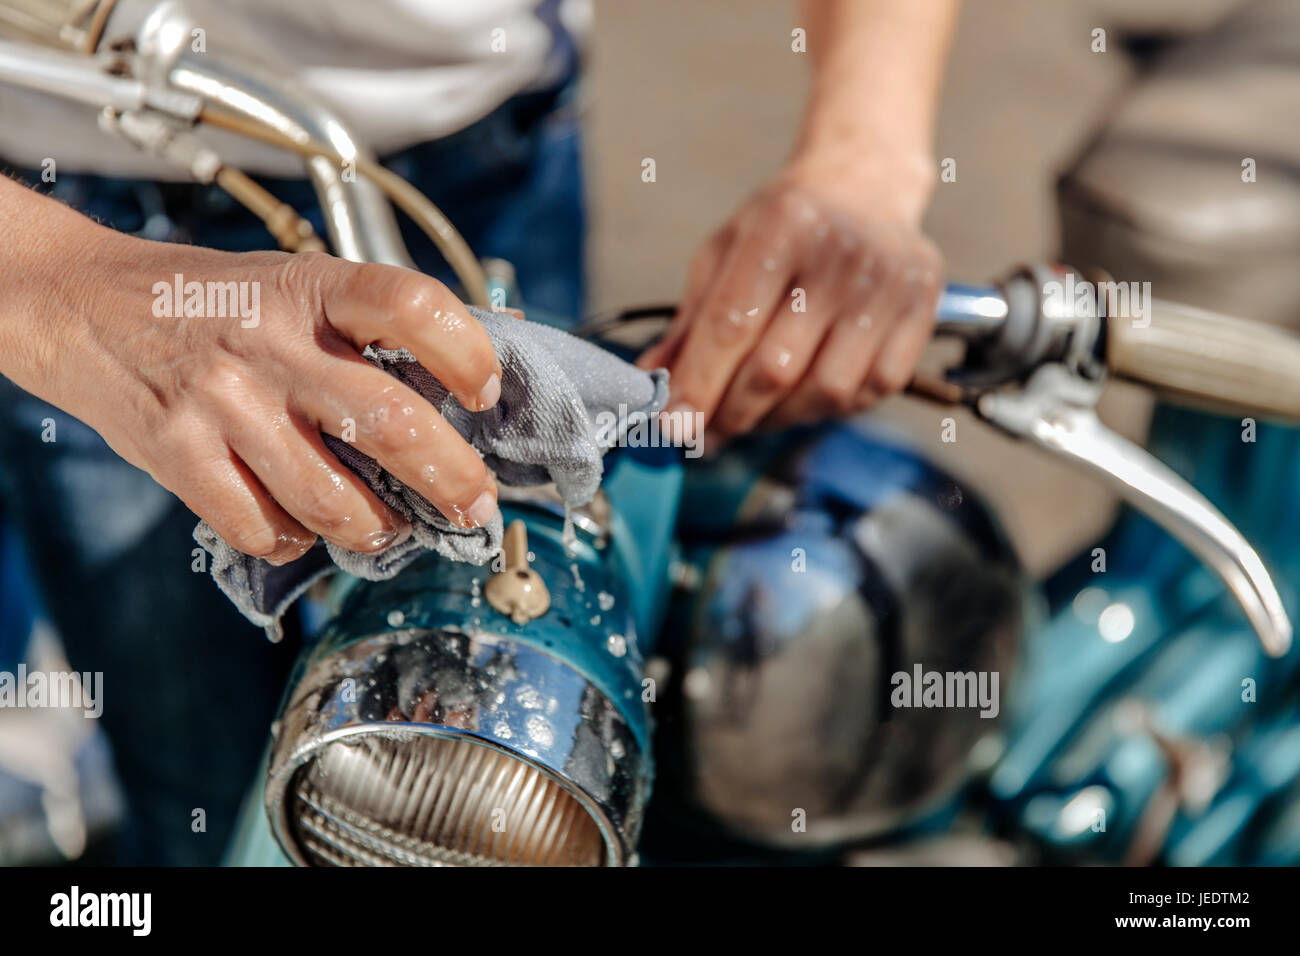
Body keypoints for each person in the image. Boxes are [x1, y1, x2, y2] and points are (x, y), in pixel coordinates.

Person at [0, 0, 957, 862]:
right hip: (68, 210)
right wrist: (62, 292)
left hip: (472, 151)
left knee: (496, 775)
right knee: (196, 791)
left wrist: (862, 155)